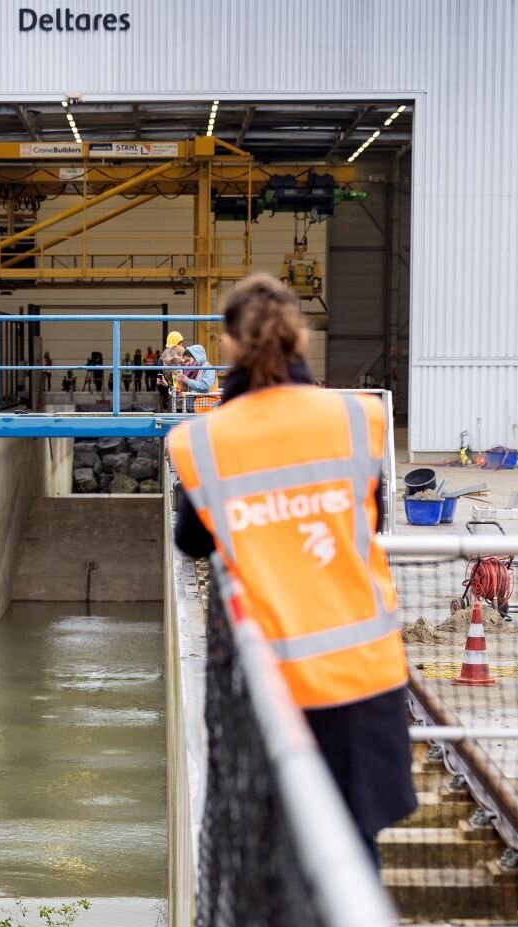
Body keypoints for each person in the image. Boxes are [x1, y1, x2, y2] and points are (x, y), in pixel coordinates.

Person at [168, 274, 416, 858]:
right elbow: (370, 520)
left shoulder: (203, 441)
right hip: (366, 674)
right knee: (355, 859)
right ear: (301, 337)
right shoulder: (357, 419)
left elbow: (192, 542)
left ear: (228, 347)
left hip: (273, 686)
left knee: (281, 866)